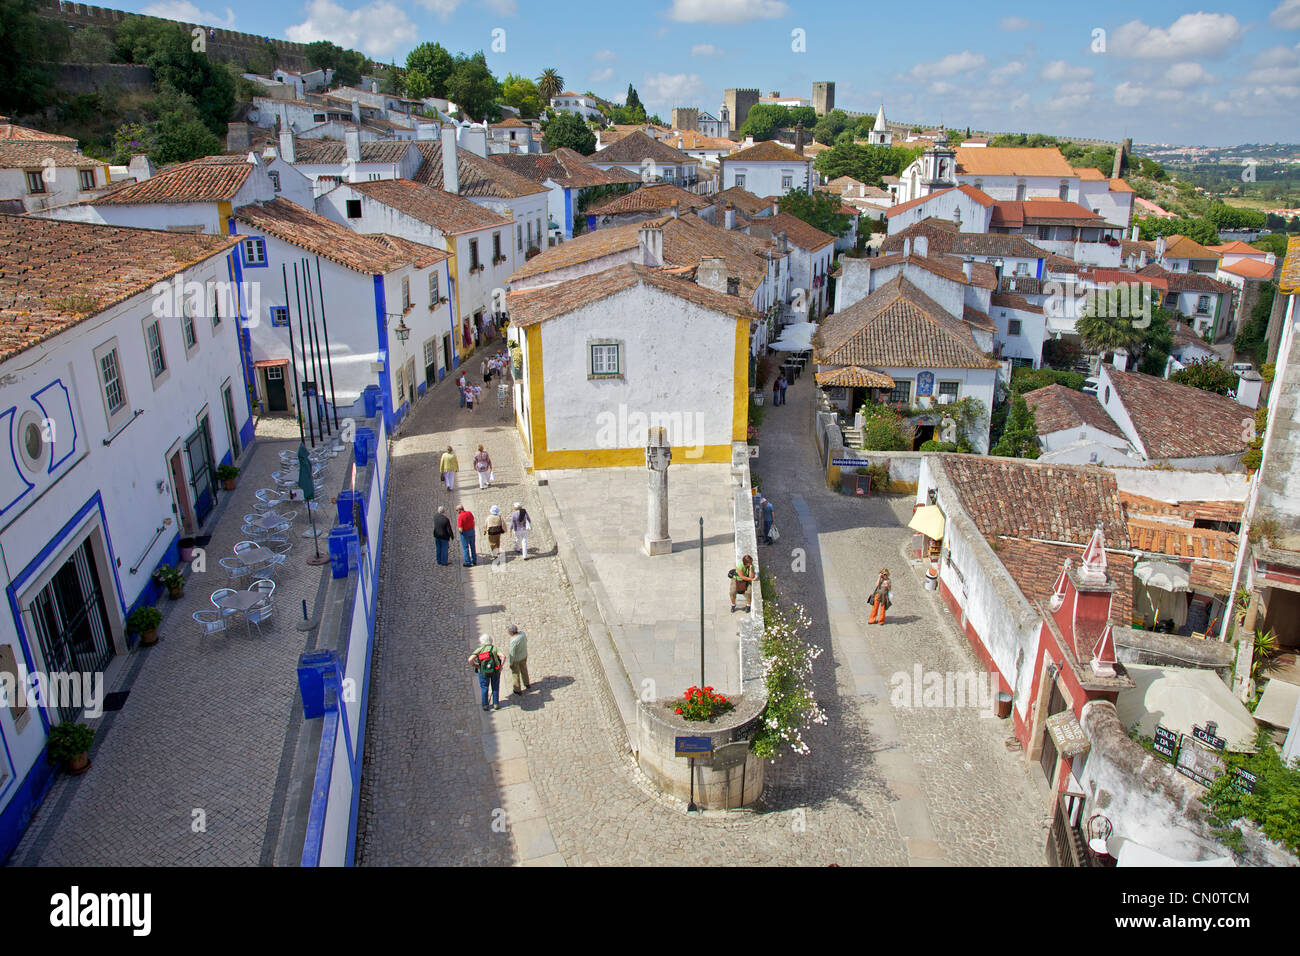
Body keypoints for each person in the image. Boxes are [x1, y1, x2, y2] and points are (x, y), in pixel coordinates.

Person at [468, 635, 502, 710]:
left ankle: (485, 705)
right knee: (495, 687)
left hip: (483, 671)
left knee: (484, 688)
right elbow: (503, 656)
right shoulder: (494, 648)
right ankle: (496, 704)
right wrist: (500, 666)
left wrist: (475, 665)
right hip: (495, 670)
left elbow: (470, 659)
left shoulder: (480, 649)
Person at [506, 624, 529, 695]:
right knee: (524, 669)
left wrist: (510, 662)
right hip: (524, 655)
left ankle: (517, 689)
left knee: (515, 673)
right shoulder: (523, 634)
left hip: (516, 659)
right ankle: (527, 683)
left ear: (511, 632)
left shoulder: (513, 640)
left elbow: (511, 653)